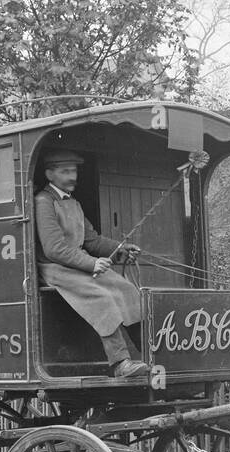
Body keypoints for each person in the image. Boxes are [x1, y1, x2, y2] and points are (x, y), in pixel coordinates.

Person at [33, 149, 149, 378]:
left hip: (78, 264)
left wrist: (119, 250)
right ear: (49, 174)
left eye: (74, 171)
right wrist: (91, 263)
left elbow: (92, 240)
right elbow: (54, 249)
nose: (72, 177)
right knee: (102, 297)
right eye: (65, 171)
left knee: (127, 290)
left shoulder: (73, 203)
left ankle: (151, 355)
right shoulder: (43, 202)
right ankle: (120, 363)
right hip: (55, 269)